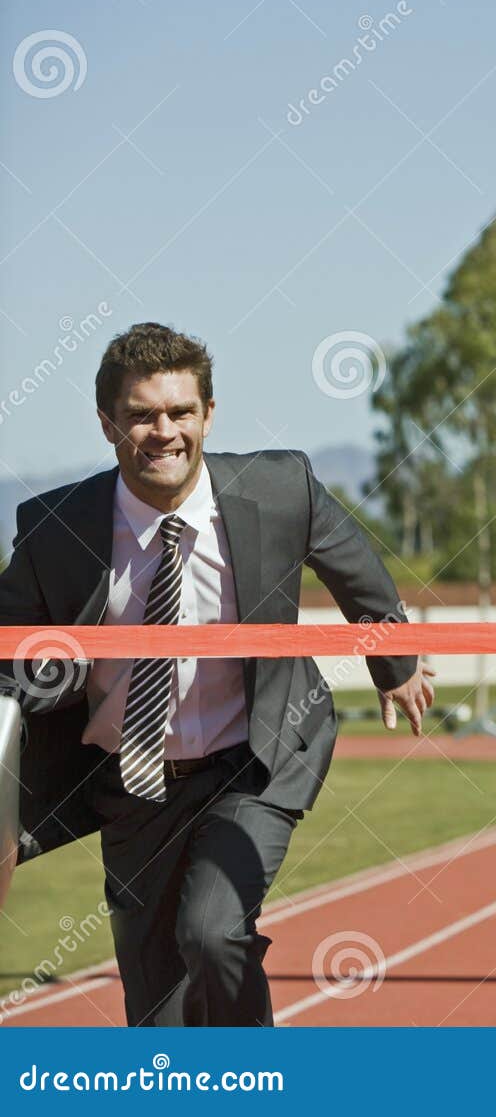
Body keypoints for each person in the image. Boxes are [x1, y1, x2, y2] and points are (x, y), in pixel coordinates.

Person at [0, 323, 434, 1026]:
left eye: (180, 412)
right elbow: (5, 656)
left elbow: (357, 570)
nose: (162, 431)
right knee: (157, 1017)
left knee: (212, 928)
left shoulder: (279, 485)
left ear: (209, 414)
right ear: (108, 423)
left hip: (253, 762)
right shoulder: (57, 527)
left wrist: (396, 665)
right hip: (130, 785)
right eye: (141, 414)